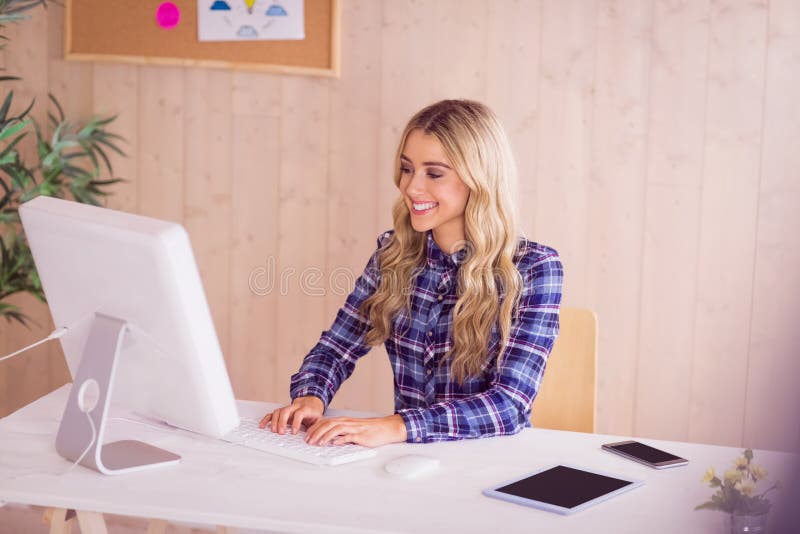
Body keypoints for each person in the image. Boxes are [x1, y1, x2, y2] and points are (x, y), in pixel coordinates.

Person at [259, 99, 563, 447]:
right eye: (407, 169)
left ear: (480, 179)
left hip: (489, 459)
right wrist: (310, 397)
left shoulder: (535, 268)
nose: (411, 187)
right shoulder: (394, 256)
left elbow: (508, 406)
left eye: (434, 173)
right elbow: (335, 349)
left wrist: (395, 426)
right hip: (408, 460)